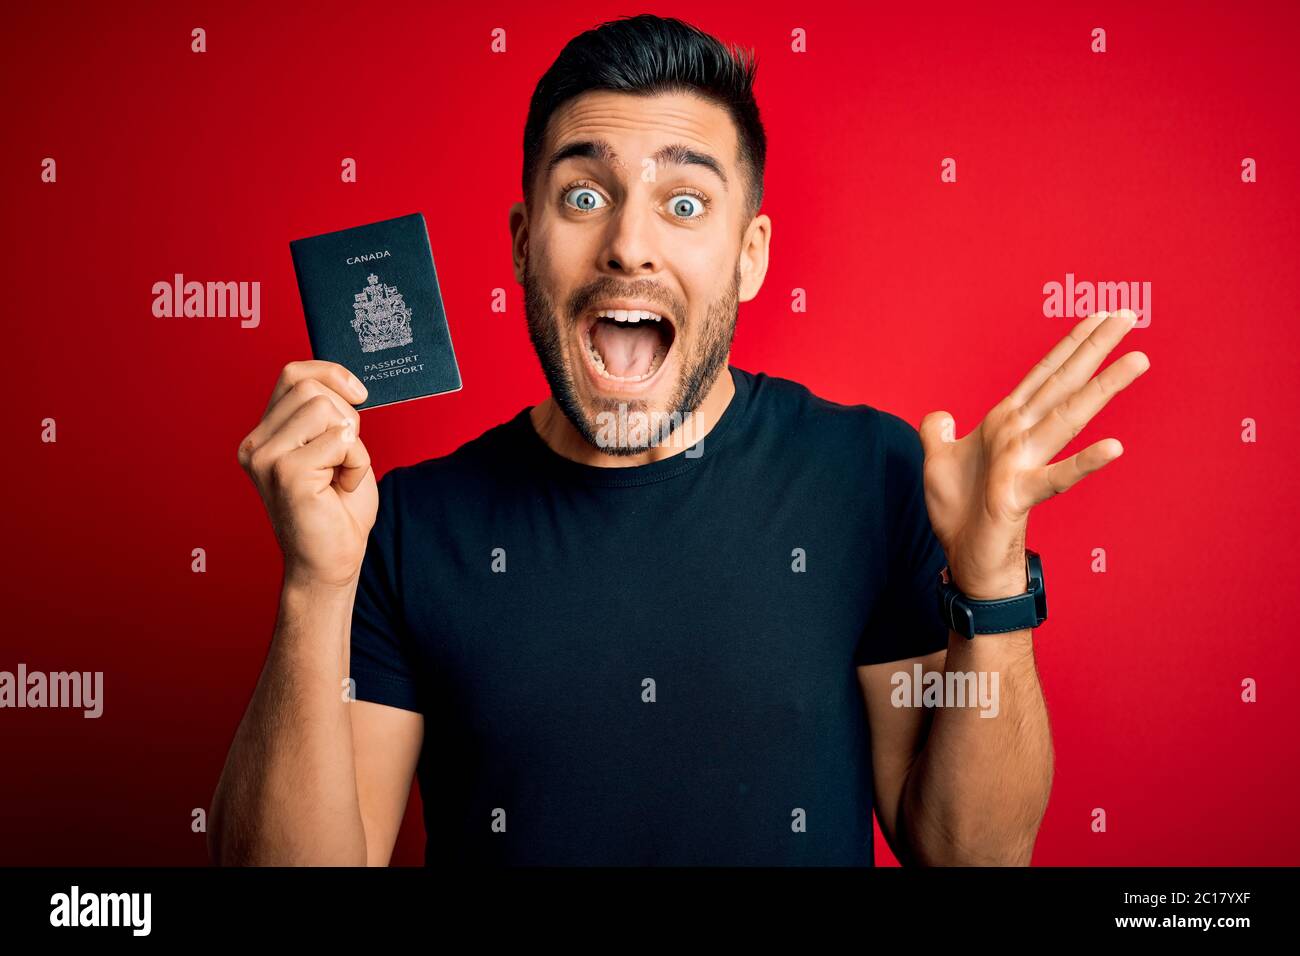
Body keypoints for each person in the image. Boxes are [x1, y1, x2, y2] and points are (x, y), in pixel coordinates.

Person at [208, 14, 1148, 866]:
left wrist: (990, 583)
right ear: (521, 243)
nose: (628, 245)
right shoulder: (405, 524)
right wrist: (312, 586)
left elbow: (972, 857)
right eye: (583, 197)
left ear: (750, 258)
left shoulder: (871, 476)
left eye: (686, 204)